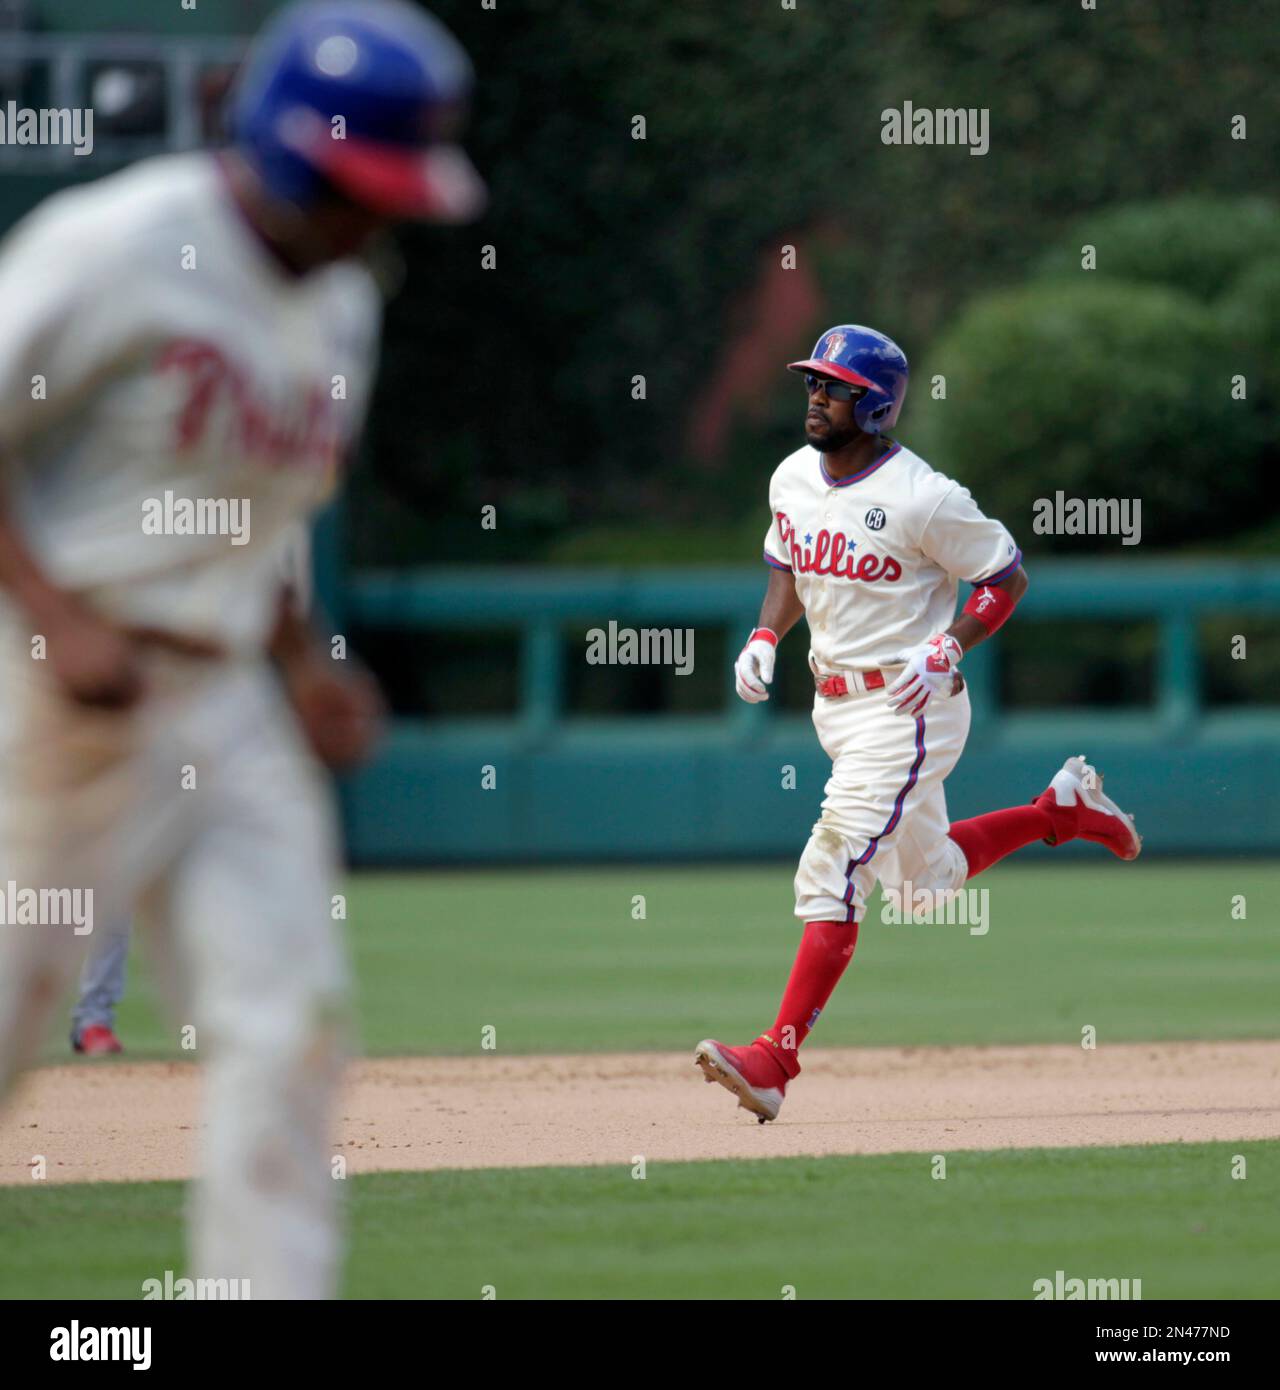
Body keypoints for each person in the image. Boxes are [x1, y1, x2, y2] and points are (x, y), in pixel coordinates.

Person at [0, 0, 484, 1297]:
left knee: (289, 1026)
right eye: (352, 189)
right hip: (49, 693)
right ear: (278, 148)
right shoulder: (120, 242)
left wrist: (306, 662)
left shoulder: (342, 308)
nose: (368, 223)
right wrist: (53, 610)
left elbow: (263, 521)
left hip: (220, 702)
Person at [695, 325, 1140, 1124]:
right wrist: (766, 634)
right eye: (812, 383)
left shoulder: (924, 495)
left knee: (832, 867)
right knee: (924, 881)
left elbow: (1005, 577)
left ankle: (775, 1060)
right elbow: (787, 561)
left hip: (911, 709)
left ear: (876, 405)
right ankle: (1061, 811)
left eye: (834, 387)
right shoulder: (793, 476)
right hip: (837, 705)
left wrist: (949, 642)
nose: (817, 397)